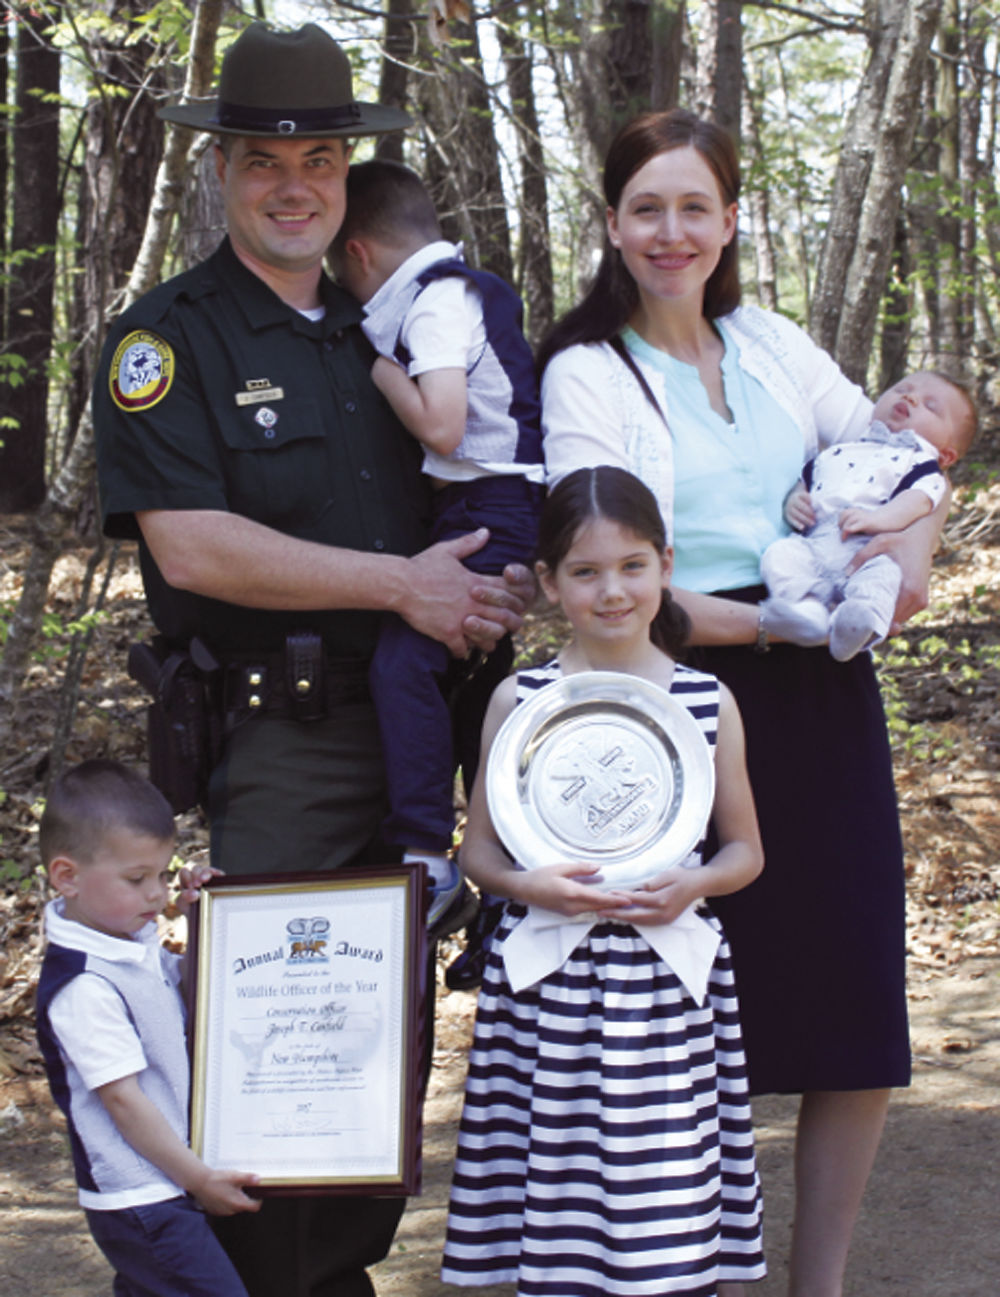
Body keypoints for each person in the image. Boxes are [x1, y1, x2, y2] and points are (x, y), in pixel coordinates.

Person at [91, 22, 531, 1297]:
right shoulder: (169, 339)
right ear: (221, 170)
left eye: (321, 157)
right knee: (272, 1049)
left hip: (423, 732)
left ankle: (329, 1279)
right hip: (278, 737)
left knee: (378, 1058)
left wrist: (493, 579)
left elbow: (486, 481)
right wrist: (405, 584)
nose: (295, 182)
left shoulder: (398, 322)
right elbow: (194, 546)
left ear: (349, 171)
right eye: (265, 158)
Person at [538, 109, 950, 1297]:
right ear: (613, 224)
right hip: (673, 699)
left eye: (695, 209)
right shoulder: (587, 372)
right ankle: (688, 1272)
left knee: (853, 1006)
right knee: (684, 1013)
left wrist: (898, 560)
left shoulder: (772, 344)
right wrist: (771, 621)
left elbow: (906, 462)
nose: (674, 233)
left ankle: (814, 1283)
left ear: (729, 223)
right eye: (648, 209)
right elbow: (605, 576)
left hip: (822, 701)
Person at [441, 466, 766, 1296]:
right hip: (549, 981)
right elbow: (478, 854)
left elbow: (744, 854)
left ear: (665, 563)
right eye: (585, 572)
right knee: (556, 1189)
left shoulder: (705, 699)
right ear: (549, 582)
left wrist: (691, 887)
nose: (612, 591)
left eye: (632, 566)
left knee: (660, 1193)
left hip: (663, 983)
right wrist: (533, 887)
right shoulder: (521, 698)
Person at [329, 158, 544, 930]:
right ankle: (509, 887)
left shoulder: (434, 302)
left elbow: (446, 424)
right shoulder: (454, 294)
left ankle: (427, 850)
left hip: (487, 501)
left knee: (404, 662)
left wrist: (379, 368)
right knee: (472, 677)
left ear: (357, 252)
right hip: (483, 500)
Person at [35, 760, 260, 1297]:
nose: (157, 894)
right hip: (140, 1194)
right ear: (67, 876)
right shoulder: (84, 986)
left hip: (167, 1178)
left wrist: (202, 918)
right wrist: (197, 1179)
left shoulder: (128, 943)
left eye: (163, 875)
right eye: (137, 880)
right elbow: (124, 1103)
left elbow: (195, 996)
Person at [760, 370, 976, 660]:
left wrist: (882, 519)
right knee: (781, 554)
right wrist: (796, 501)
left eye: (931, 406)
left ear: (946, 456)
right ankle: (807, 608)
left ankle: (857, 622)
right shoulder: (841, 448)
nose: (910, 397)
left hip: (870, 546)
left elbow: (920, 499)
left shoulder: (920, 464)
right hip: (816, 539)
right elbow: (809, 479)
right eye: (903, 388)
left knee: (883, 576)